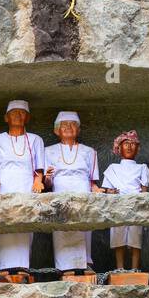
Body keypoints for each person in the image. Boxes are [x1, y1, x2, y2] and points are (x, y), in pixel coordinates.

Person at [0, 100, 45, 281]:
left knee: (25, 225)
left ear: (27, 117)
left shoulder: (35, 139)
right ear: (6, 117)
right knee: (5, 224)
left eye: (22, 113)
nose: (18, 116)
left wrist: (38, 181)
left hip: (27, 186)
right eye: (14, 113)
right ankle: (5, 269)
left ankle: (23, 268)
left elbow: (39, 168)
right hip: (5, 186)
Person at [44, 111, 101, 277]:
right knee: (62, 227)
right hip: (60, 190)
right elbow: (47, 184)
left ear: (78, 129)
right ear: (57, 130)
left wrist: (96, 190)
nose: (68, 128)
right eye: (64, 125)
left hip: (82, 189)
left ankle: (86, 264)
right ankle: (65, 267)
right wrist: (47, 177)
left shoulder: (90, 151)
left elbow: (92, 181)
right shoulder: (48, 151)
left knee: (84, 226)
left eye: (72, 125)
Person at [102, 130, 149, 273]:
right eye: (126, 144)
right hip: (117, 206)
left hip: (136, 206)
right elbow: (107, 190)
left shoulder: (142, 168)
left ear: (138, 148)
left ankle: (135, 268)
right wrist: (111, 192)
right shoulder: (112, 168)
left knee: (136, 237)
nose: (129, 147)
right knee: (118, 236)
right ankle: (120, 268)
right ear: (119, 148)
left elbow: (144, 191)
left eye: (132, 144)